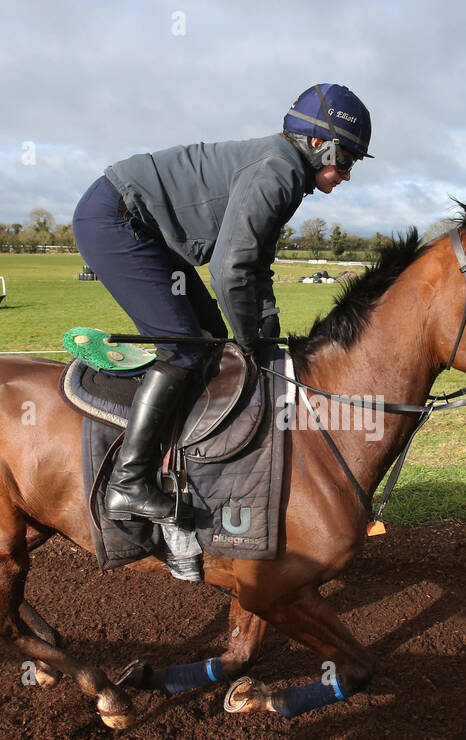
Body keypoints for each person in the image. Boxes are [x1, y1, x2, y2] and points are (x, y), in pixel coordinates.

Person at [72, 84, 372, 524]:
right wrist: (249, 342)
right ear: (316, 144)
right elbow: (230, 270)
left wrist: (265, 335)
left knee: (212, 343)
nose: (346, 175)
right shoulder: (278, 170)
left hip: (144, 228)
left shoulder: (287, 173)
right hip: (116, 220)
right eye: (345, 160)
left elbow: (256, 265)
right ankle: (128, 483)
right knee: (188, 348)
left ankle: (187, 463)